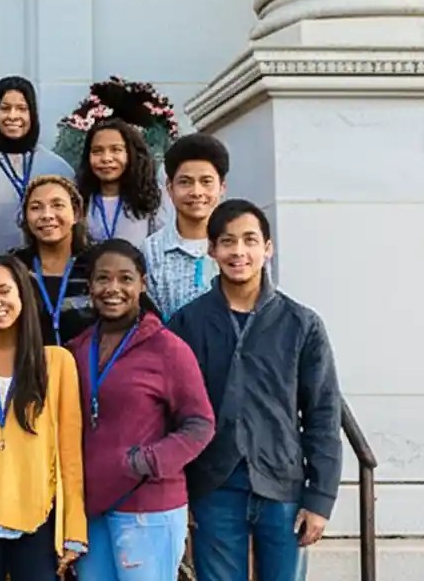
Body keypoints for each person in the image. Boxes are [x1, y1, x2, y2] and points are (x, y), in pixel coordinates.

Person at [169, 200, 342, 581]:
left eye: (250, 240)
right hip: (213, 484)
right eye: (227, 242)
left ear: (268, 247)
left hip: (283, 484)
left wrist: (321, 497)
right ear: (212, 250)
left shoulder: (302, 324)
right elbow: (173, 413)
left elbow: (323, 415)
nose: (239, 252)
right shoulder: (187, 322)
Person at [67, 240, 214, 581]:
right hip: (93, 508)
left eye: (125, 278)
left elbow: (200, 423)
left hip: (149, 507)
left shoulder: (167, 348)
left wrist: (147, 460)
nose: (113, 288)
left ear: (142, 284)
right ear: (90, 287)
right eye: (103, 279)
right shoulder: (78, 348)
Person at [0, 255, 85, 580]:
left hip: (35, 519)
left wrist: (74, 526)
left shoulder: (56, 363)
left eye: (3, 291)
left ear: (23, 294)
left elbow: (70, 455)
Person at [0, 76, 75, 254]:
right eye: (5, 108)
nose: (13, 116)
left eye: (22, 109)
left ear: (32, 114)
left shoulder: (58, 169)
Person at [143, 133, 229, 320]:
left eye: (206, 182)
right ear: (169, 187)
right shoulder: (151, 251)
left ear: (222, 187)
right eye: (185, 182)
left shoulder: (240, 248)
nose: (197, 192)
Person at [12, 175, 96, 346]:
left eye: (57, 205)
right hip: (31, 368)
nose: (47, 215)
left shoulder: (98, 265)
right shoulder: (14, 268)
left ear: (76, 214)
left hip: (90, 369)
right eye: (36, 208)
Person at [75, 119, 164, 247]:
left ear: (131, 154)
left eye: (116, 150)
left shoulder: (153, 198)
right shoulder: (80, 200)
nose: (106, 158)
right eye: (97, 151)